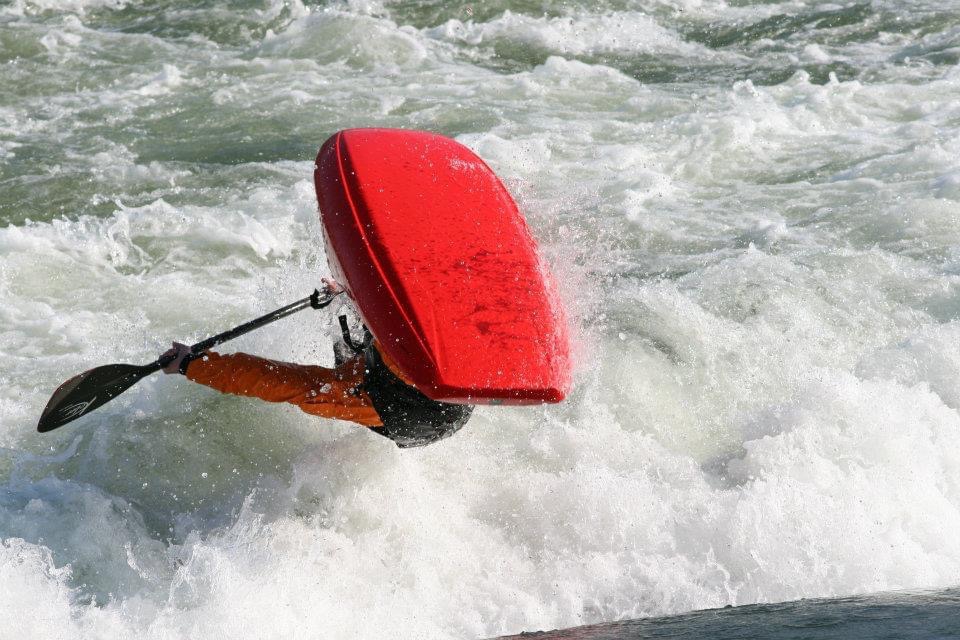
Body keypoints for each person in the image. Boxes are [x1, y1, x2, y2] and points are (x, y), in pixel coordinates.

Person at [160, 282, 473, 448]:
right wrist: (348, 293)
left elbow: (269, 380)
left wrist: (191, 364)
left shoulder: (350, 390)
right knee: (352, 335)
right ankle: (349, 310)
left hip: (413, 413)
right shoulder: (433, 330)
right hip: (456, 395)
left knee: (311, 384)